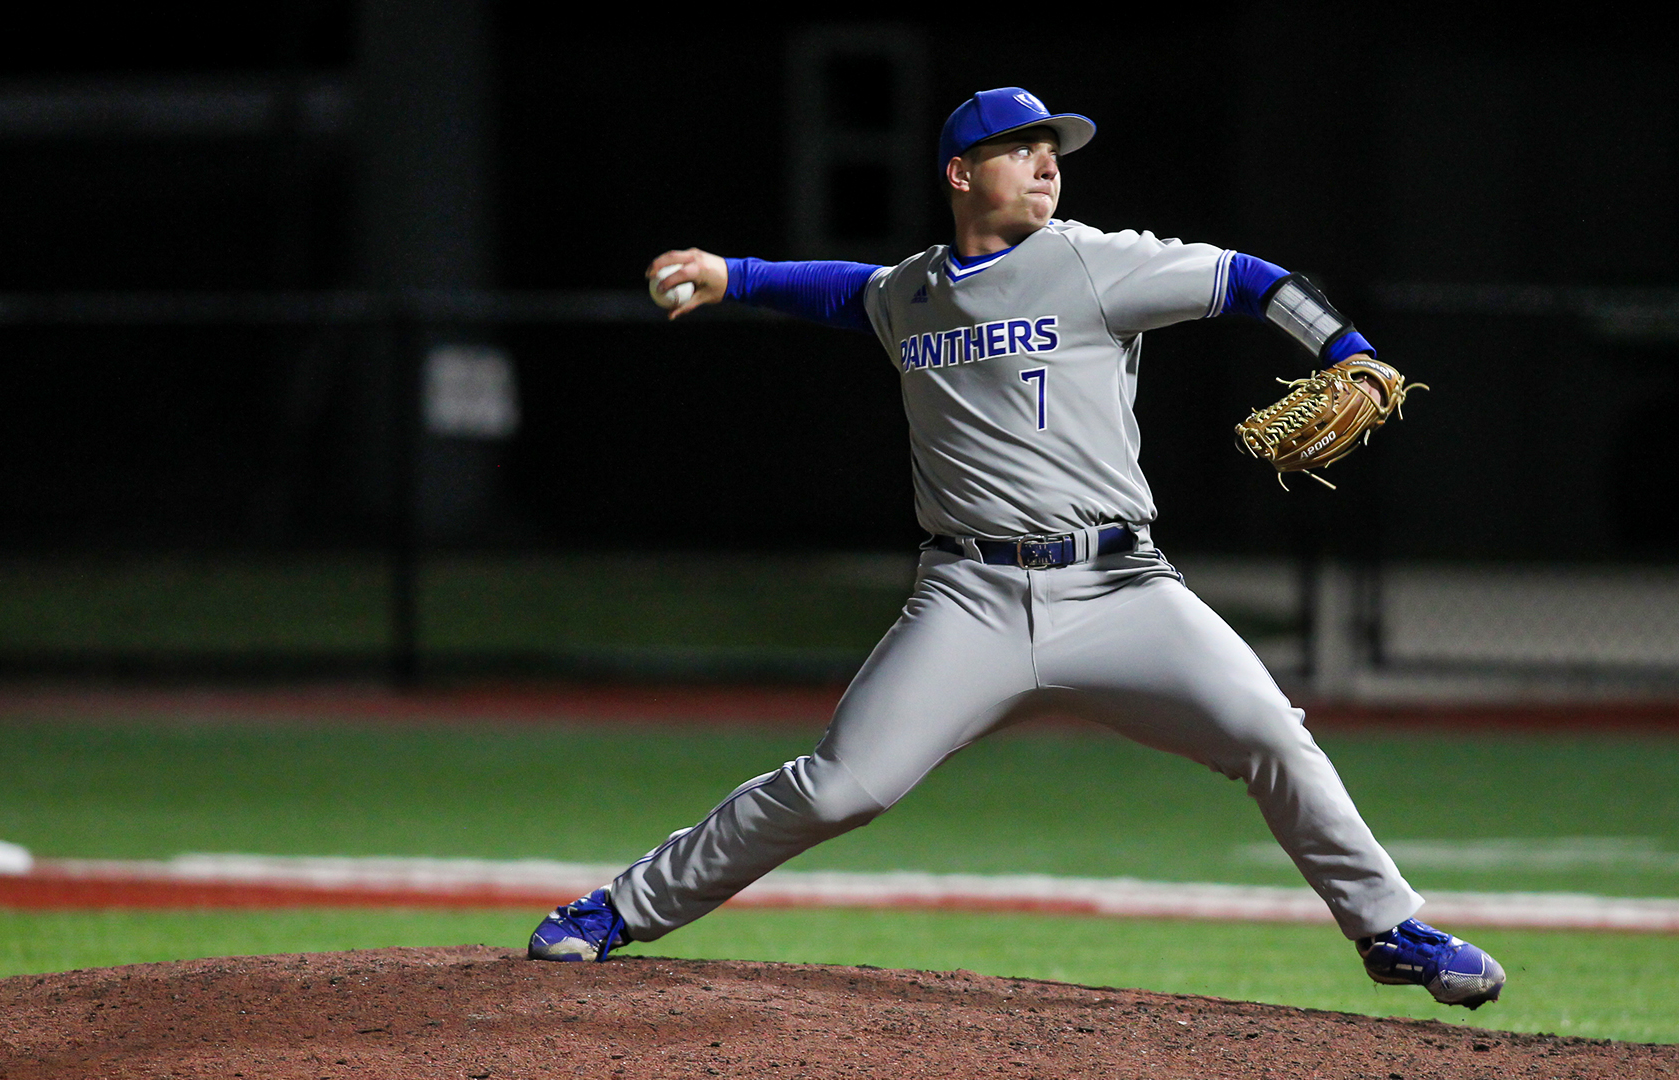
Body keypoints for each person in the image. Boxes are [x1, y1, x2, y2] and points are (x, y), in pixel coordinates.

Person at [527, 87, 1505, 1009]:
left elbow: (1249, 278)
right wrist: (730, 275)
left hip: (1121, 588)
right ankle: (620, 907)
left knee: (1268, 733)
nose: (1047, 167)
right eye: (1021, 150)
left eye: (1054, 152)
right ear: (959, 173)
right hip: (968, 599)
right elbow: (849, 292)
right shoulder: (913, 293)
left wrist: (1343, 347)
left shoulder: (1092, 260)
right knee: (844, 785)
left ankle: (1391, 930)